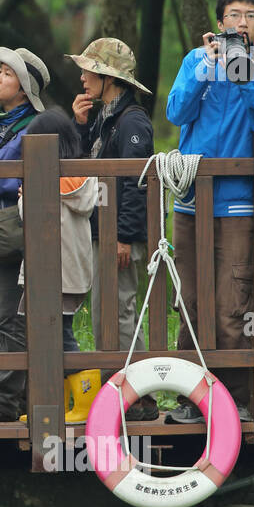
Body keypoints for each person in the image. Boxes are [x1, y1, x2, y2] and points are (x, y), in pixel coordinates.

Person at [165, 0, 254, 424]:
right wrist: (207, 67)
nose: (240, 23)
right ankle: (189, 398)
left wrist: (245, 73)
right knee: (190, 301)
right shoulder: (195, 62)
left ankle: (231, 400)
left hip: (236, 206)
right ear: (218, 24)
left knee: (231, 302)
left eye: (250, 16)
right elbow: (176, 114)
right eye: (233, 15)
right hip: (191, 202)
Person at [69, 37, 157, 420]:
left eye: (90, 70)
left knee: (120, 312)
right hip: (103, 233)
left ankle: (138, 399)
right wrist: (81, 125)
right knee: (107, 314)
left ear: (108, 77)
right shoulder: (106, 118)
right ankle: (117, 395)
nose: (83, 77)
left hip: (118, 235)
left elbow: (135, 184)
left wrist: (123, 235)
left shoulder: (132, 121)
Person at [9, 109, 99, 414]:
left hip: (52, 272)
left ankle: (84, 402)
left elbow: (30, 218)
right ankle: (58, 403)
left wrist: (24, 197)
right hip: (71, 271)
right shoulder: (82, 176)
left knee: (58, 337)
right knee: (58, 332)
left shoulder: (45, 181)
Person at [0, 46, 48, 422]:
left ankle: (6, 397)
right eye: (0, 71)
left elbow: (4, 178)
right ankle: (19, 392)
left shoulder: (35, 127)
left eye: (7, 74)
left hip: (15, 229)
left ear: (24, 89)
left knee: (9, 315)